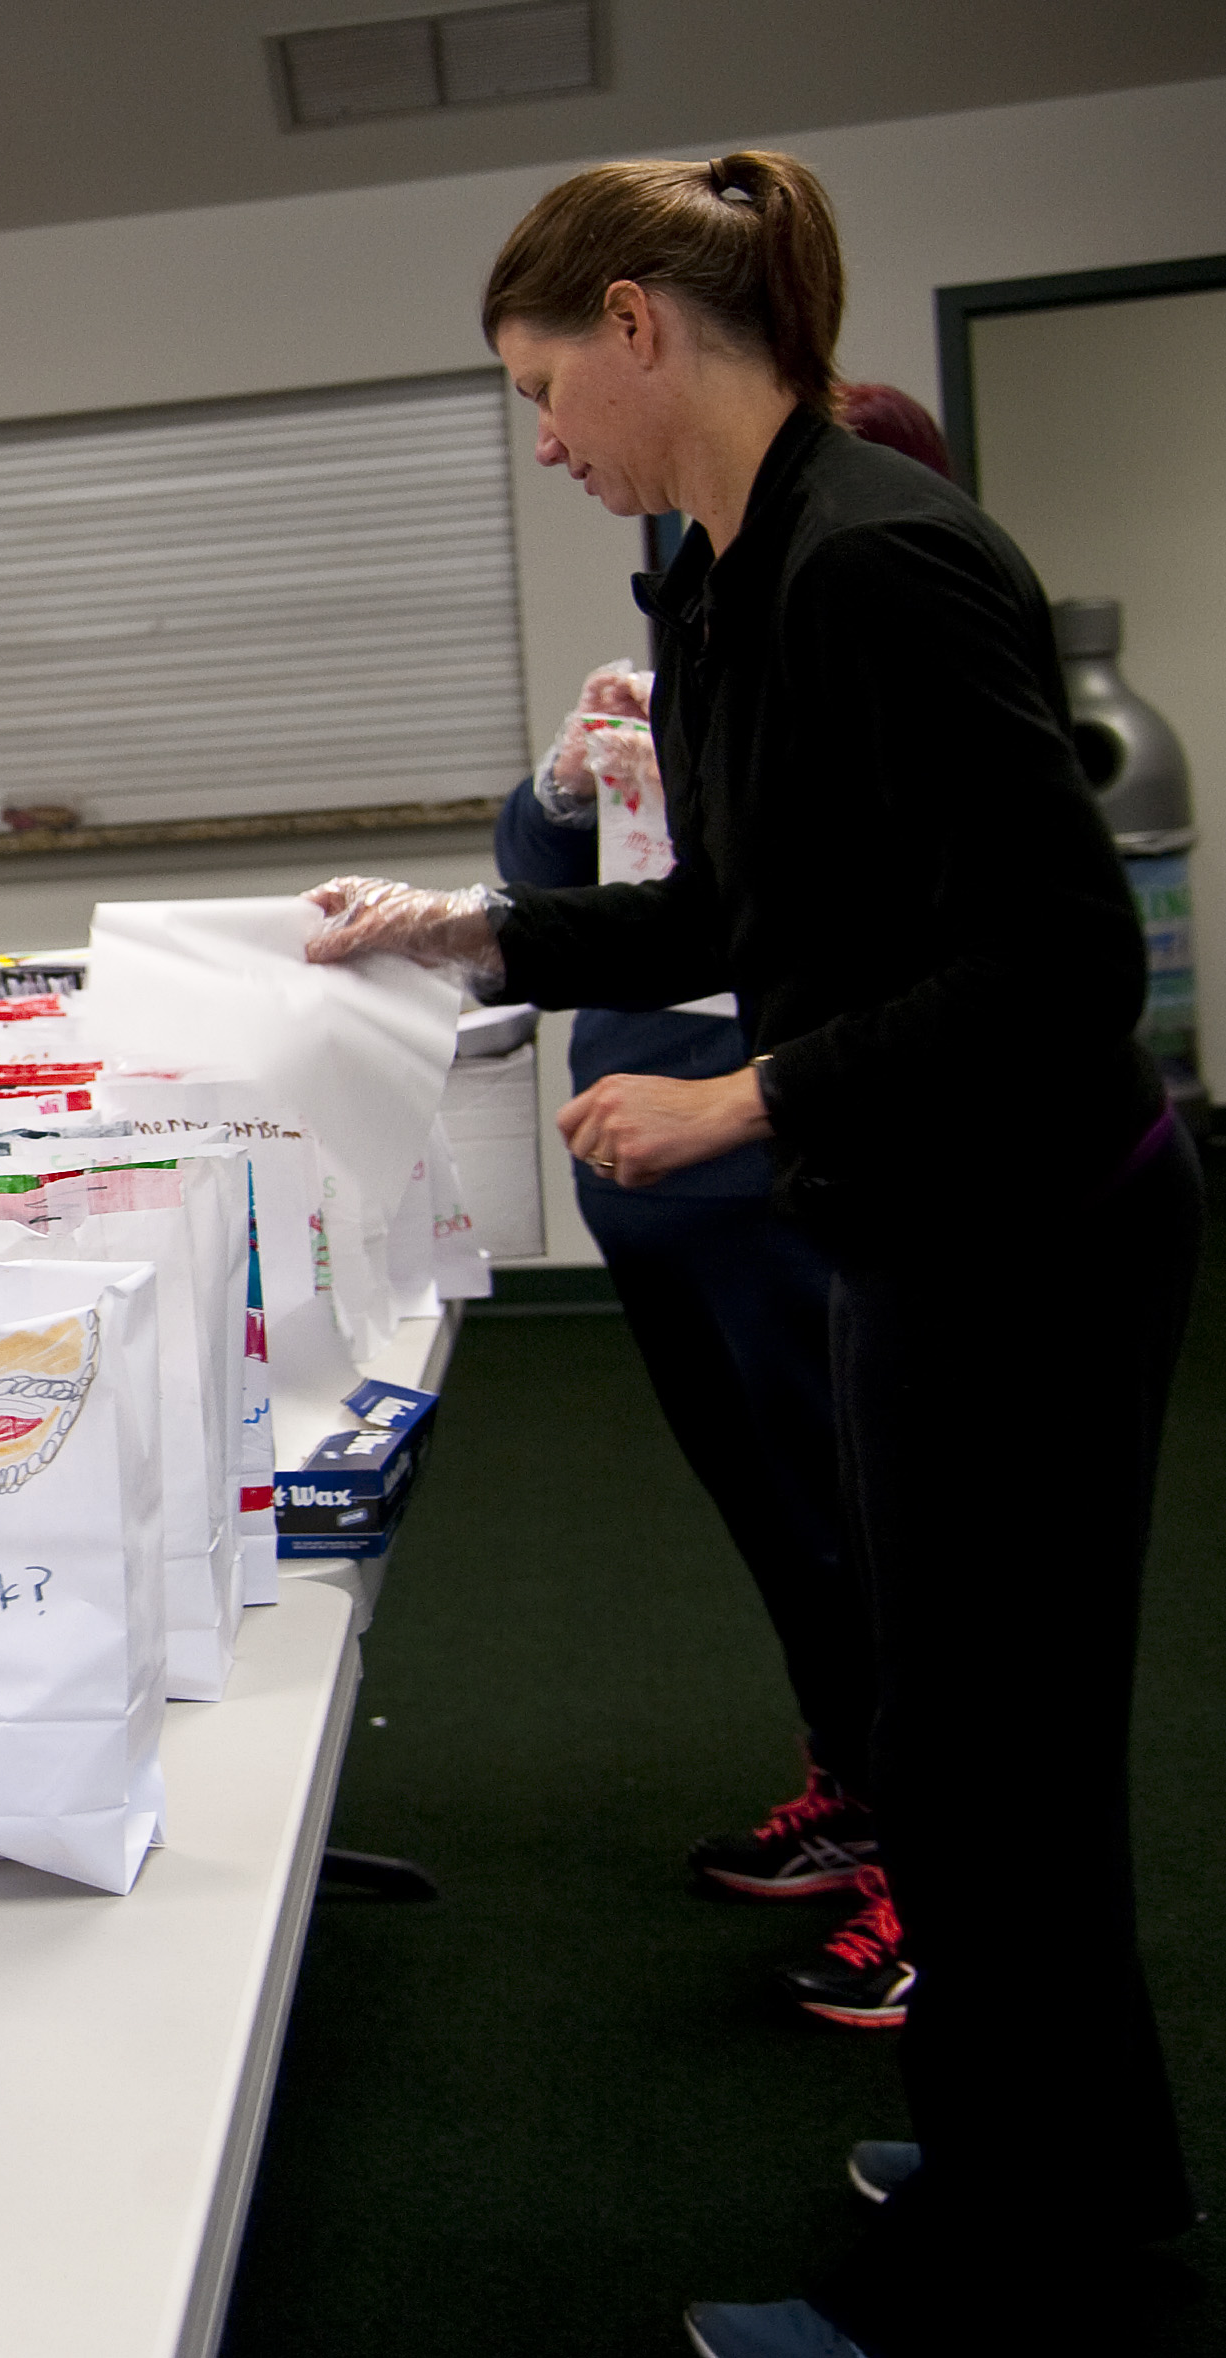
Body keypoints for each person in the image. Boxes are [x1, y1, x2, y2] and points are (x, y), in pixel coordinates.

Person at [306, 152, 1194, 2356]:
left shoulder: (880, 564)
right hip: (919, 1226)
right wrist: (485, 928)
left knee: (991, 1768)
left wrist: (748, 1094)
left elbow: (1062, 958)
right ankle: (1059, 2177)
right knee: (955, 1745)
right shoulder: (708, 571)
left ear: (634, 326)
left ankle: (1011, 2268)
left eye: (537, 385)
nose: (539, 437)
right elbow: (742, 909)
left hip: (1029, 1241)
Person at [497, 382, 961, 2043]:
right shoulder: (704, 633)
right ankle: (848, 1787)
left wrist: (741, 1101)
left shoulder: (873, 626)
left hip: (793, 1156)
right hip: (657, 1165)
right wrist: (558, 795)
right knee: (779, 1519)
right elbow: (586, 907)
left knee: (884, 1533)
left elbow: (955, 947)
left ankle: (941, 1864)